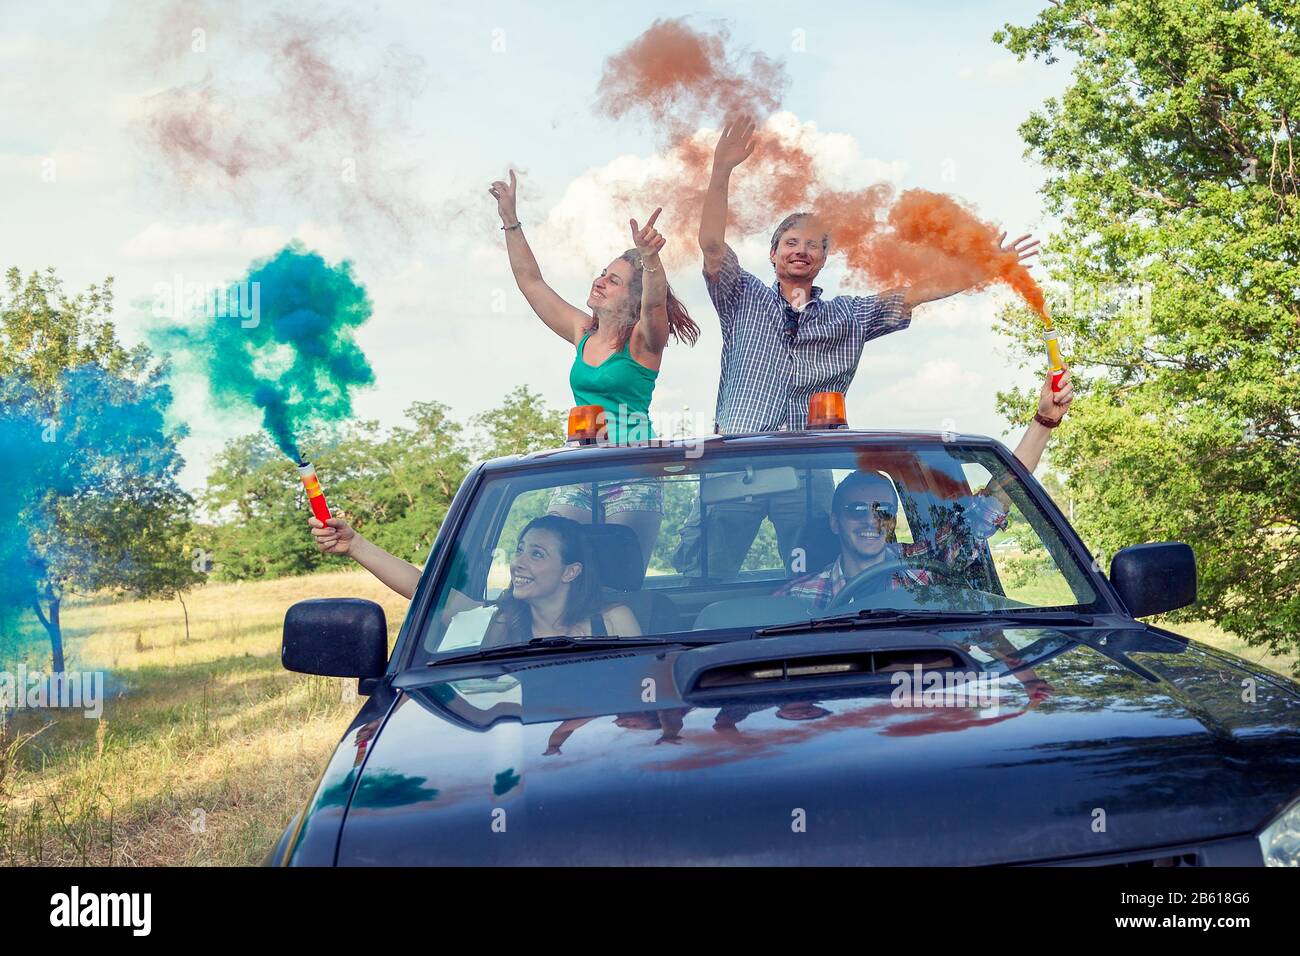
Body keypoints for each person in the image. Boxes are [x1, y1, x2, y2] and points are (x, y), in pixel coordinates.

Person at [677, 115, 1041, 577]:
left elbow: (915, 293)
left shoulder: (848, 315)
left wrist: (987, 267)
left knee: (815, 572)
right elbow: (712, 245)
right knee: (706, 573)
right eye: (790, 242)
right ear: (773, 254)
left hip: (806, 470)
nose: (800, 249)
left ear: (823, 259)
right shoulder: (741, 296)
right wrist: (721, 170)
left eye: (812, 245)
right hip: (738, 462)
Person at [488, 170, 700, 568]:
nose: (600, 281)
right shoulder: (582, 331)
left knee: (616, 576)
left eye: (613, 280)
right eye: (603, 273)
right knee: (557, 566)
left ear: (632, 297)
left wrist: (651, 261)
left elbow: (655, 305)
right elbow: (531, 282)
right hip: (580, 467)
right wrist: (510, 219)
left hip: (633, 471)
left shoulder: (643, 342)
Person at [778, 368, 1074, 608]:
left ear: (892, 521)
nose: (871, 520)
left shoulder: (923, 565)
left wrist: (1045, 421)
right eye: (856, 509)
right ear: (835, 522)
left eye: (883, 510)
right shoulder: (800, 597)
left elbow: (995, 501)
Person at [309, 513, 638, 648]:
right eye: (520, 550)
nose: (518, 563)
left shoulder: (613, 622)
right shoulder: (497, 621)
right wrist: (355, 546)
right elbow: (423, 589)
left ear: (571, 571)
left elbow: (645, 691)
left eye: (537, 554)